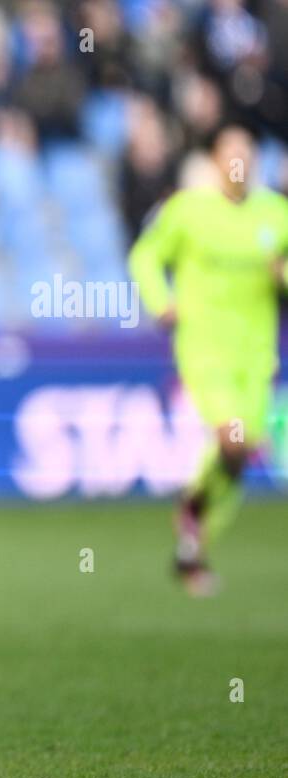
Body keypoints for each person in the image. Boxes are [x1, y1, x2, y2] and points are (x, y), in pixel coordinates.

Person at [128, 123, 288, 596]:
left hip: (256, 355)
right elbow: (145, 255)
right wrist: (160, 301)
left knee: (239, 457)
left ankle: (193, 536)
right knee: (233, 441)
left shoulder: (276, 214)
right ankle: (192, 510)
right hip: (205, 348)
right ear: (216, 161)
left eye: (247, 154)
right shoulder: (187, 211)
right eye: (231, 153)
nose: (239, 163)